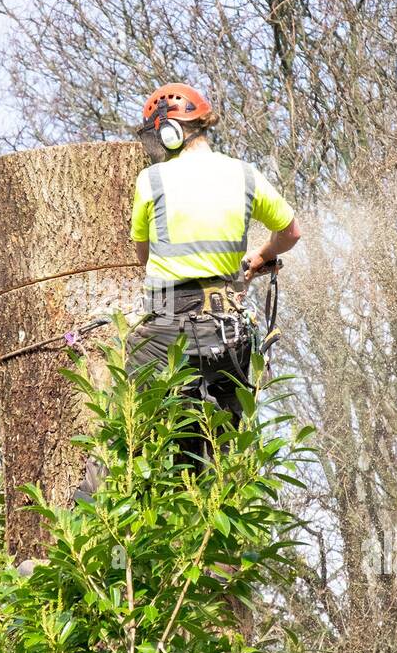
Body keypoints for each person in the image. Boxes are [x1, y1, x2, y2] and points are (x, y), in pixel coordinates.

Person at [124, 82, 301, 465]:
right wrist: (260, 257)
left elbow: (144, 255)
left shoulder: (152, 181)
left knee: (132, 429)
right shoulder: (244, 174)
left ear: (169, 132)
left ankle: (93, 506)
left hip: (170, 331)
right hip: (228, 330)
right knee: (226, 450)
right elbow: (291, 233)